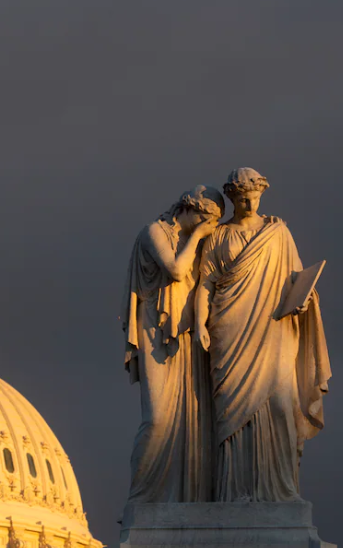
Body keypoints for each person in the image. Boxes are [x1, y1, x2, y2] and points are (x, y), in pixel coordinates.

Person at [195, 167, 331, 502]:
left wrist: (304, 301)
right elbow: (205, 285)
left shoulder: (278, 233)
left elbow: (296, 277)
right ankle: (234, 493)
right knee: (230, 414)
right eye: (241, 199)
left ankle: (280, 492)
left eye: (253, 198)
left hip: (274, 330)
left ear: (261, 195)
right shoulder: (218, 237)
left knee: (279, 407)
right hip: (229, 331)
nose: (248, 204)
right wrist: (199, 323)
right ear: (231, 198)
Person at [121, 185, 225, 502]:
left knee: (191, 422)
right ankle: (139, 498)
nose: (209, 228)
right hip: (155, 328)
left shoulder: (198, 241)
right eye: (206, 219)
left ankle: (184, 498)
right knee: (157, 419)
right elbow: (176, 271)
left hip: (185, 335)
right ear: (189, 208)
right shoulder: (154, 231)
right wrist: (196, 237)